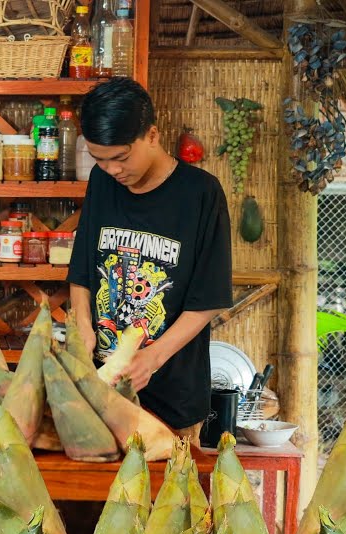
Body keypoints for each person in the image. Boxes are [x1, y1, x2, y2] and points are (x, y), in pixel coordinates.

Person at [67, 78, 232, 441]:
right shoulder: (102, 181)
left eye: (121, 158)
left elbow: (208, 300)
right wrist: (81, 322)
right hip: (103, 398)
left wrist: (152, 358)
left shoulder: (201, 194)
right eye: (100, 159)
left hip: (172, 400)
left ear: (153, 135)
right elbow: (82, 266)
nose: (112, 170)